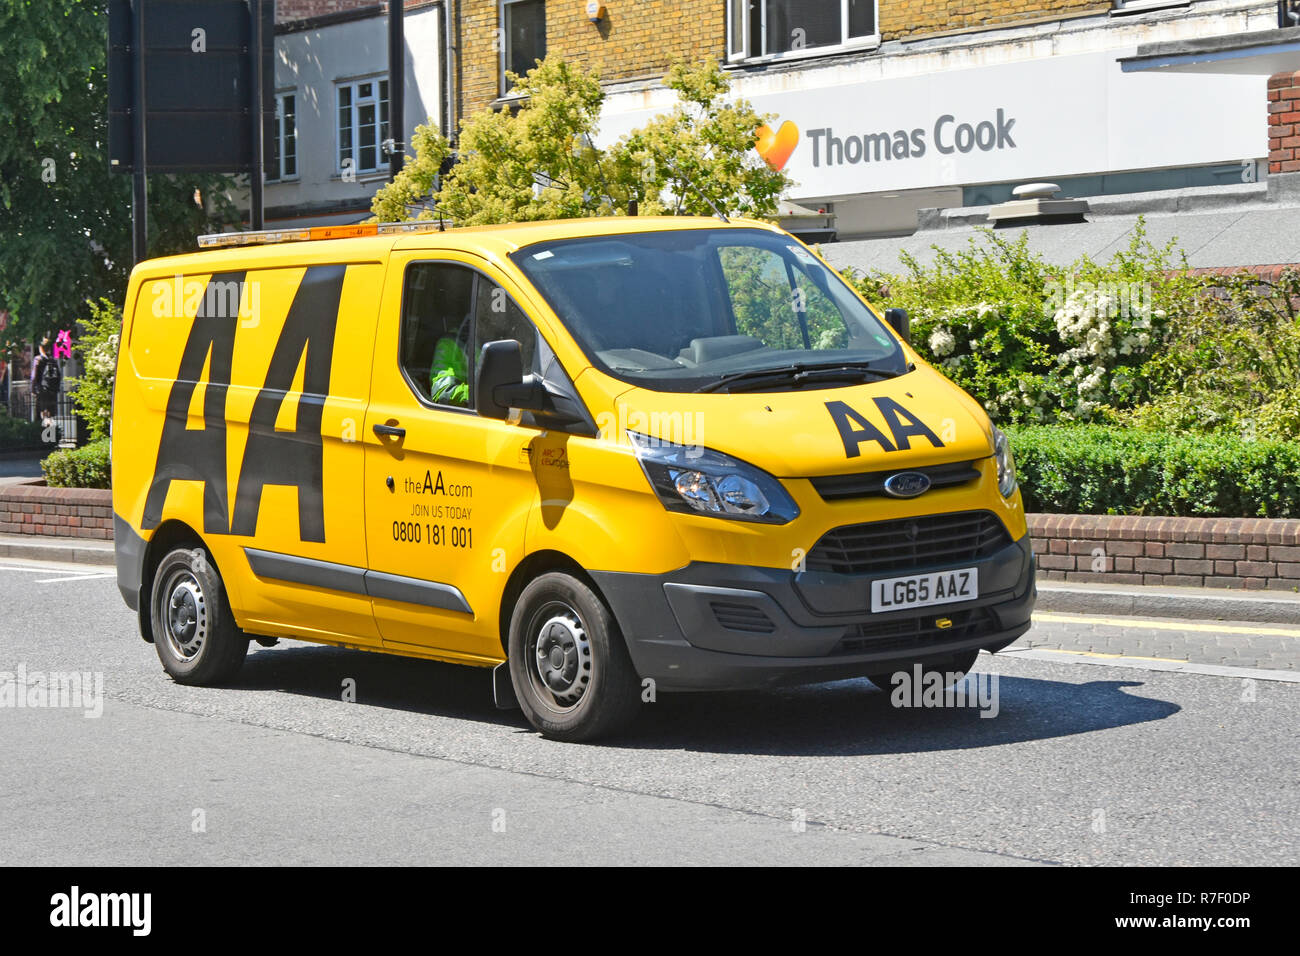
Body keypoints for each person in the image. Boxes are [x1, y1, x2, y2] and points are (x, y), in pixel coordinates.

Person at [31, 337, 61, 424]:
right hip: (52, 390)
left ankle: (43, 433)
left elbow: (34, 376)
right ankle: (51, 435)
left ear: (41, 348)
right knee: (50, 413)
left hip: (42, 390)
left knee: (42, 411)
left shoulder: (38, 359)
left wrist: (33, 389)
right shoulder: (53, 361)